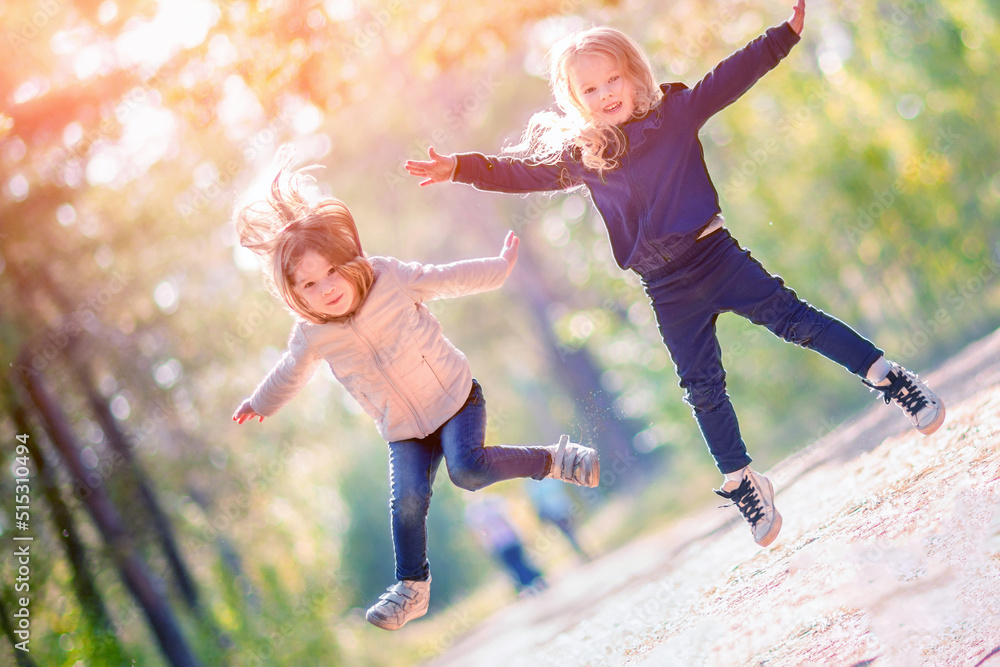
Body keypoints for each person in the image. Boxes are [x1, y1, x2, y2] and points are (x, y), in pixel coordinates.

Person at [404, 0, 945, 548]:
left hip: (715, 256)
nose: (605, 93)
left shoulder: (675, 113)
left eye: (613, 78)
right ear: (575, 101)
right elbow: (520, 173)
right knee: (701, 386)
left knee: (794, 320)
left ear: (635, 76)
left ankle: (891, 378)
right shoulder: (584, 155)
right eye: (589, 89)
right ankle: (743, 480)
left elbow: (728, 78)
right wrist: (461, 167)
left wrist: (782, 36)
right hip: (665, 289)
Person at [231, 149, 600, 631]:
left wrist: (499, 267)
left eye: (331, 273)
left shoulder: (389, 278)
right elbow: (289, 372)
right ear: (294, 295)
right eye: (309, 286)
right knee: (406, 500)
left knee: (468, 471)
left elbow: (445, 279)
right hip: (404, 429)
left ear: (349, 259)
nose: (325, 289)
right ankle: (411, 589)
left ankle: (556, 460)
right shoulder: (311, 333)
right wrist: (260, 402)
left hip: (454, 397)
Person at [464, 494, 547, 596]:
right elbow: (507, 521)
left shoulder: (476, 515)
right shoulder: (492, 506)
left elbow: (483, 533)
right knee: (522, 561)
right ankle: (535, 580)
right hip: (508, 538)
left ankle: (530, 583)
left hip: (499, 543)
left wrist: (488, 547)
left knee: (515, 565)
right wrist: (518, 533)